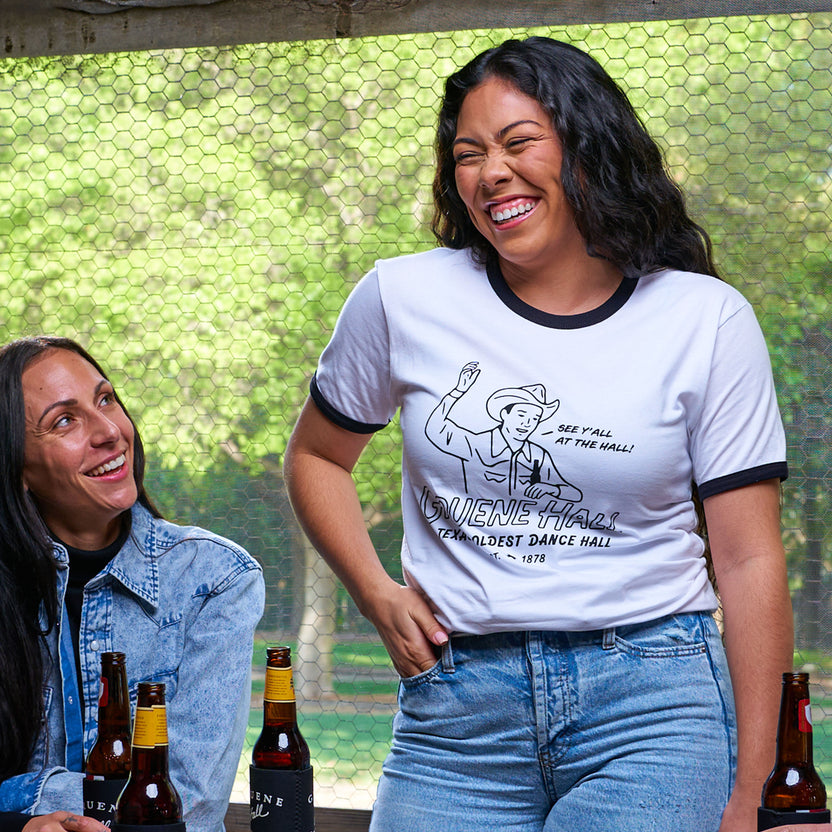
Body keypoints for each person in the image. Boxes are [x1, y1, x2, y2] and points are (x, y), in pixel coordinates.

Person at [283, 36, 795, 832]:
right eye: (468, 153)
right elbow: (317, 455)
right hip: (456, 713)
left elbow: (749, 557)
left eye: (520, 143)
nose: (491, 173)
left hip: (654, 705)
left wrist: (754, 787)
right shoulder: (401, 297)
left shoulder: (705, 319)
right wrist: (375, 592)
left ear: (589, 150)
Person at [0, 336, 265, 832]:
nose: (108, 431)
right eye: (64, 420)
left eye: (105, 399)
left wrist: (22, 795)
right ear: (19, 471)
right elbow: (150, 795)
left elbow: (190, 803)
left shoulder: (216, 579)